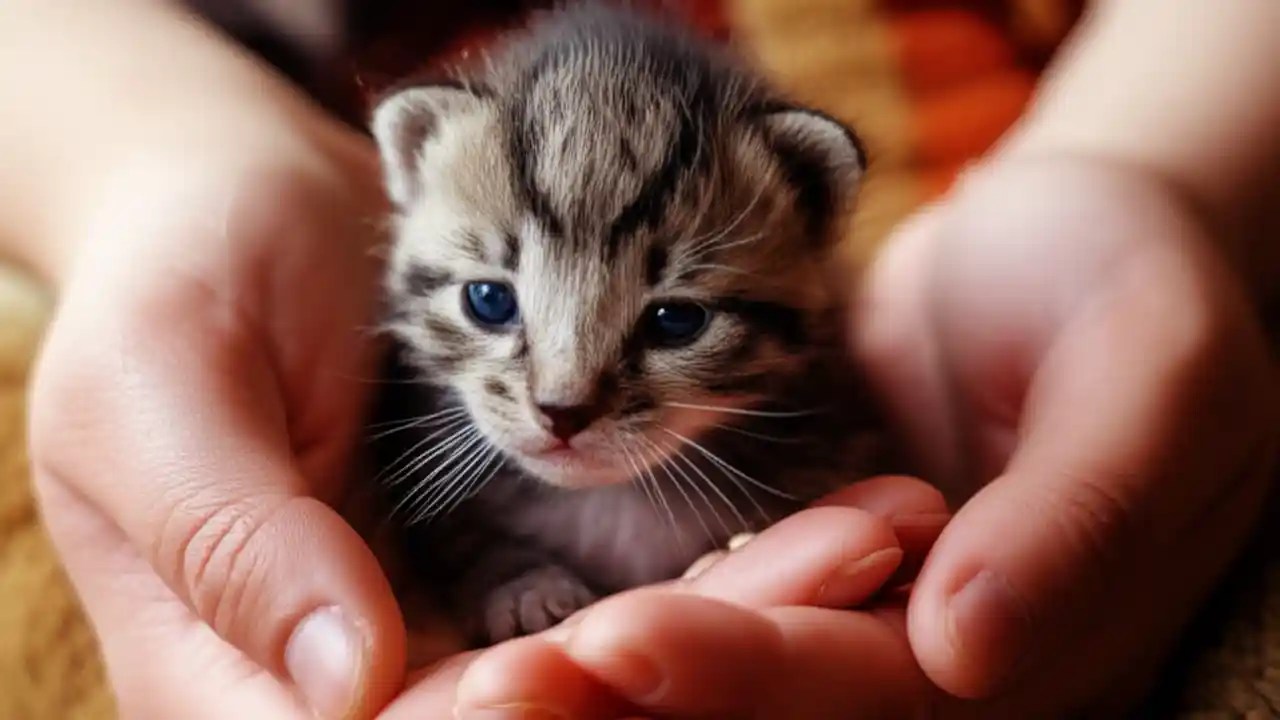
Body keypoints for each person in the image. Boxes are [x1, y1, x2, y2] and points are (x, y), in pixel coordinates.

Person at [1, 0, 1275, 717]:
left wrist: (1150, 176)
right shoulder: (416, 440)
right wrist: (161, 165)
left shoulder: (823, 430)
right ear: (404, 186)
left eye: (670, 322)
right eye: (491, 301)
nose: (559, 396)